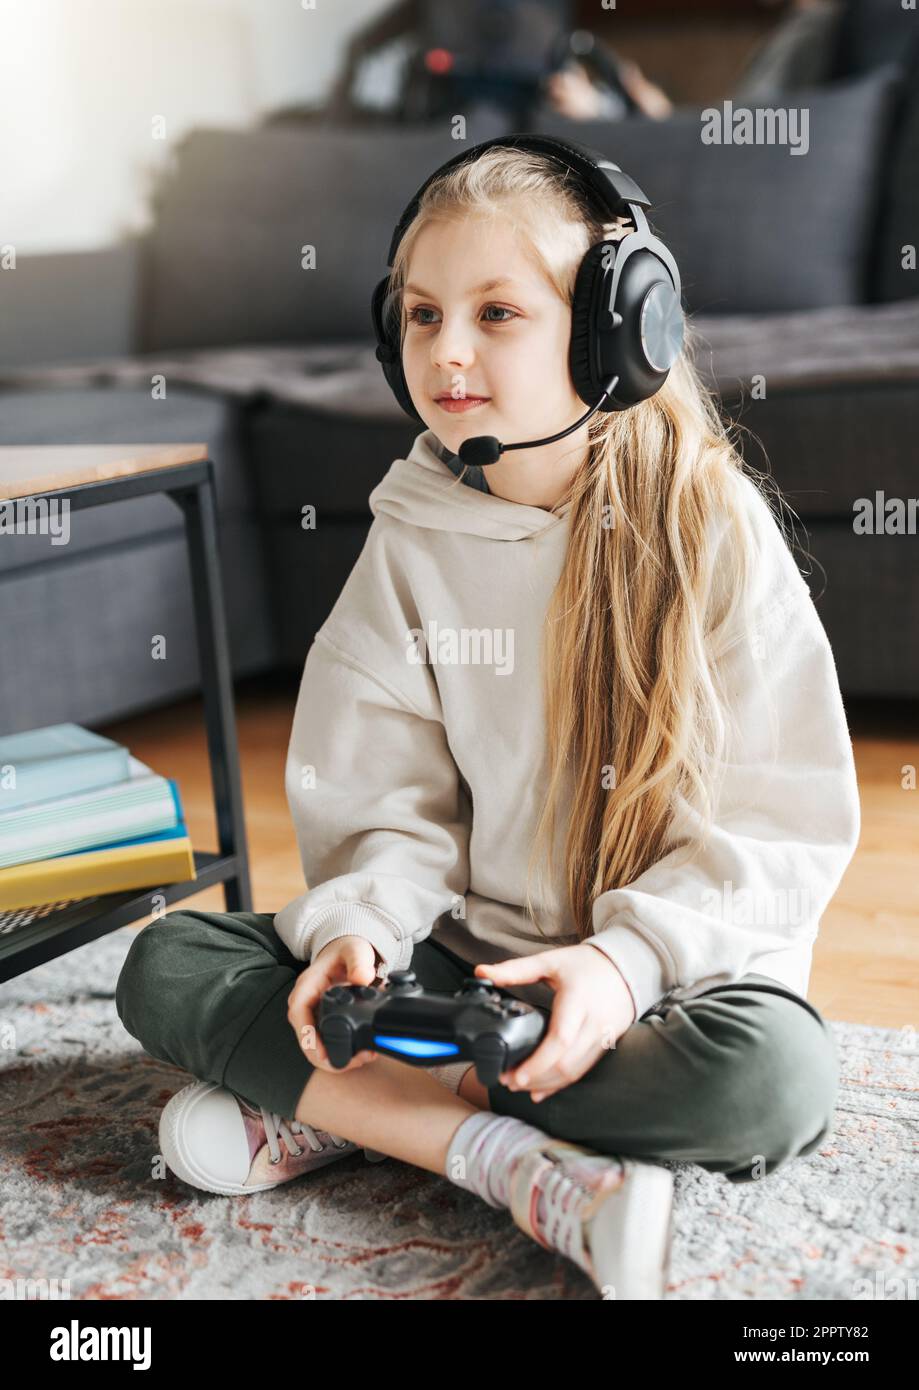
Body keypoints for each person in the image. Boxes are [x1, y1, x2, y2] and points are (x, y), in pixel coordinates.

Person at [115, 140, 860, 1300]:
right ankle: (506, 1157)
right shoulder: (411, 531)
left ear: (620, 327)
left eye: (496, 312)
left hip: (658, 985)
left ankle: (348, 1112)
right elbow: (384, 801)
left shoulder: (711, 526)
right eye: (420, 315)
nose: (446, 350)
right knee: (166, 962)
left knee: (770, 1081)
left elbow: (777, 824)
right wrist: (362, 928)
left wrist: (622, 967)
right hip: (460, 970)